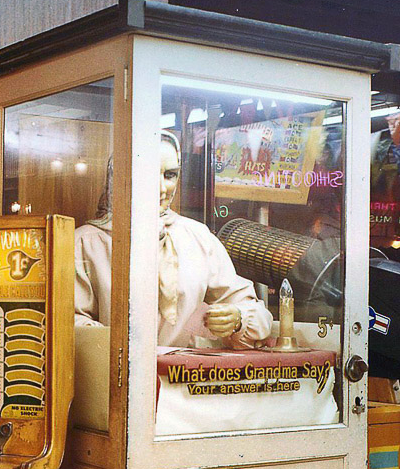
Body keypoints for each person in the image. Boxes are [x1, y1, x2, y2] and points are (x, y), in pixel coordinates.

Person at [74, 131, 273, 348]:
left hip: (184, 377)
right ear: (120, 176)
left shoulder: (198, 238)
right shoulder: (86, 243)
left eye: (170, 175)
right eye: (148, 173)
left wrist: (237, 318)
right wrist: (114, 345)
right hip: (114, 376)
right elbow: (66, 321)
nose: (161, 188)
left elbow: (252, 310)